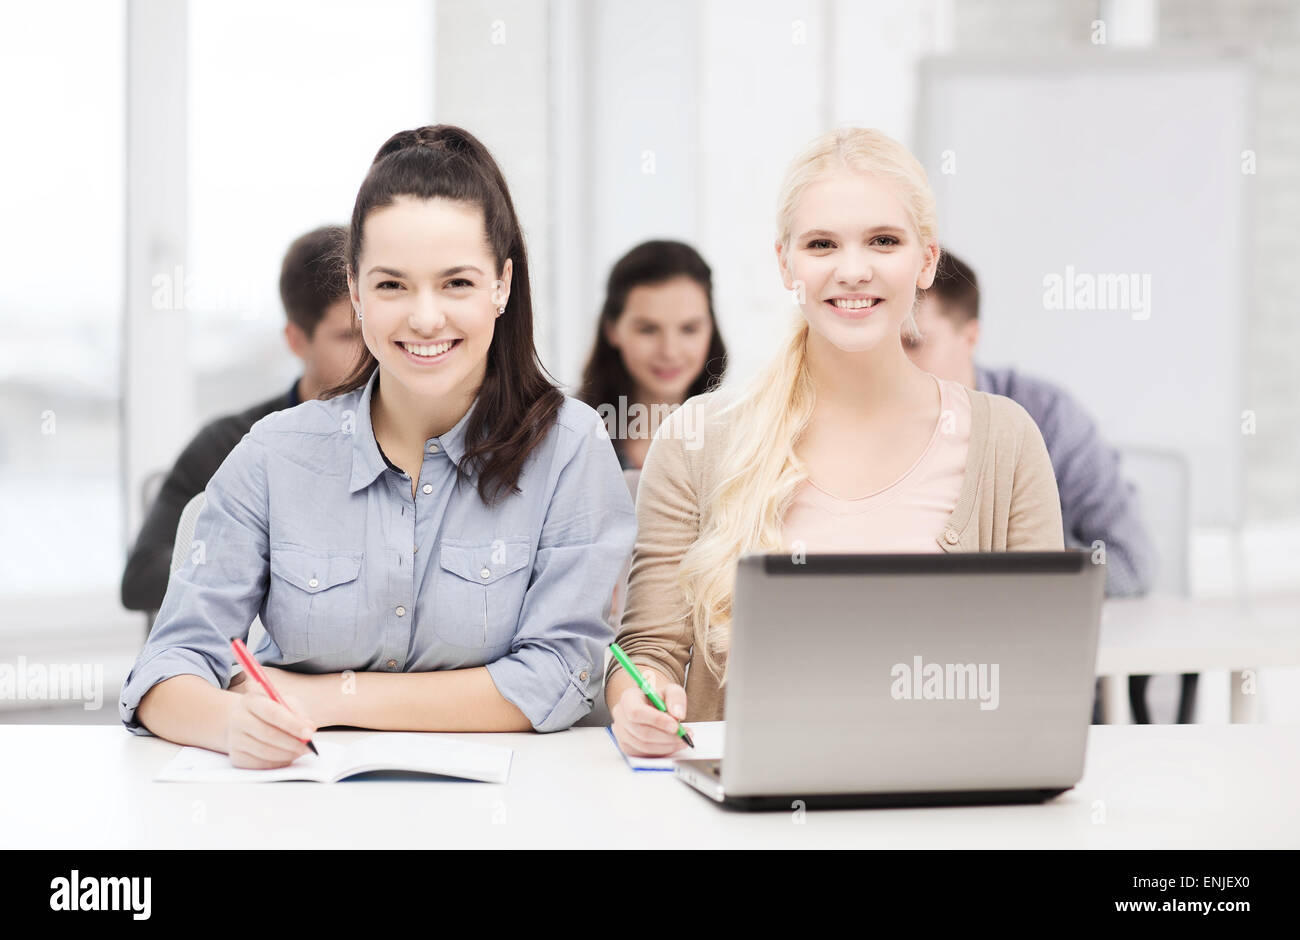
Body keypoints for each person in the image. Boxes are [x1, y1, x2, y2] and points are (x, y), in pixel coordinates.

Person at [120, 125, 636, 767]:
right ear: (355, 289)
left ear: (502, 286)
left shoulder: (570, 448)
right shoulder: (274, 454)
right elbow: (166, 669)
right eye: (392, 285)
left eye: (457, 284)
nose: (424, 318)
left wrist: (326, 698)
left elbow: (555, 679)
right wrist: (231, 722)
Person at [607, 127, 1065, 757]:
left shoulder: (1006, 440)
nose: (853, 270)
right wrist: (639, 703)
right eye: (822, 244)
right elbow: (648, 652)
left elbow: (1043, 665)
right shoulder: (694, 440)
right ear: (785, 263)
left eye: (884, 241)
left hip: (950, 807)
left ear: (927, 261)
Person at [906, 250, 1177, 722]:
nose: (897, 361)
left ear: (970, 337)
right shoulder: (867, 428)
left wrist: (1020, 556)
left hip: (1031, 678)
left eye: (914, 342)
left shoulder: (1045, 417)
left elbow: (1131, 565)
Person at [119, 225, 360, 616]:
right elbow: (140, 580)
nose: (373, 354)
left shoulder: (416, 440)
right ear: (297, 340)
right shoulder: (226, 444)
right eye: (351, 336)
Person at [578, 239, 728, 474]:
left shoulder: (742, 444)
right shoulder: (572, 440)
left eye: (689, 329)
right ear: (612, 330)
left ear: (710, 328)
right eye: (647, 329)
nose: (669, 351)